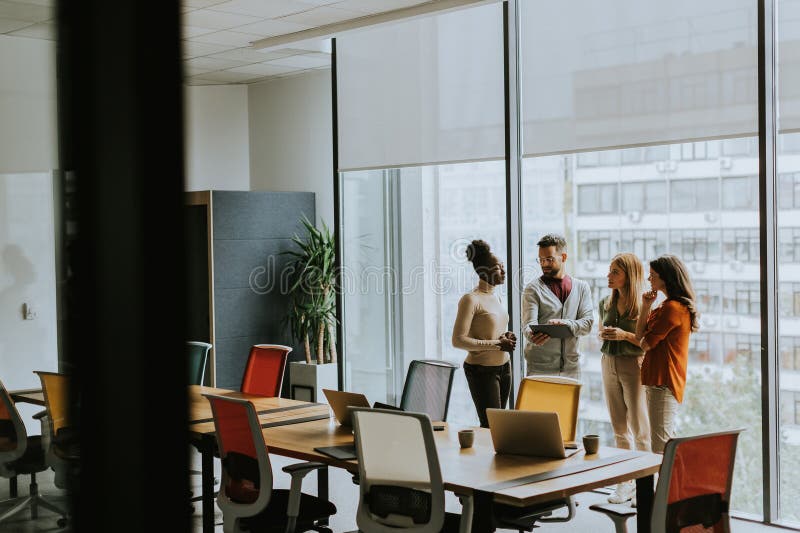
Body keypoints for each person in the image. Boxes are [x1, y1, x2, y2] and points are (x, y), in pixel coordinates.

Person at [598, 253, 651, 504]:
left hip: (634, 365)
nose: (609, 276)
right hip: (608, 363)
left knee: (641, 429)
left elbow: (647, 344)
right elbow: (601, 331)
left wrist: (623, 335)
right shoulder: (605, 304)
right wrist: (606, 335)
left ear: (629, 275)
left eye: (615, 272)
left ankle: (644, 486)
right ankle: (624, 485)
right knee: (619, 429)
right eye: (609, 271)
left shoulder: (643, 307)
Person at [635, 254, 698, 454]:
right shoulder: (669, 306)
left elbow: (644, 344)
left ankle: (663, 486)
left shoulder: (672, 308)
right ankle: (667, 485)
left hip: (663, 380)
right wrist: (646, 306)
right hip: (661, 380)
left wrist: (643, 338)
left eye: (652, 275)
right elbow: (639, 336)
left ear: (665, 277)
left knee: (660, 446)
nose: (649, 279)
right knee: (664, 440)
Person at [452, 240, 516, 428]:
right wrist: (497, 344)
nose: (503, 271)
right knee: (491, 426)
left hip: (505, 367)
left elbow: (493, 330)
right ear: (482, 271)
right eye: (498, 268)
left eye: (503, 267)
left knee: (499, 424)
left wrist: (506, 336)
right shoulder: (470, 299)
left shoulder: (497, 296)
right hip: (481, 371)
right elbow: (458, 340)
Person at [522, 234, 593, 379]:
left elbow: (588, 323)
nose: (544, 264)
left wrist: (565, 324)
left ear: (564, 257)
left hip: (571, 369)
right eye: (541, 260)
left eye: (549, 259)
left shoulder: (582, 287)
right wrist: (532, 335)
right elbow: (528, 325)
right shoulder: (532, 289)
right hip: (540, 368)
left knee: (569, 403)